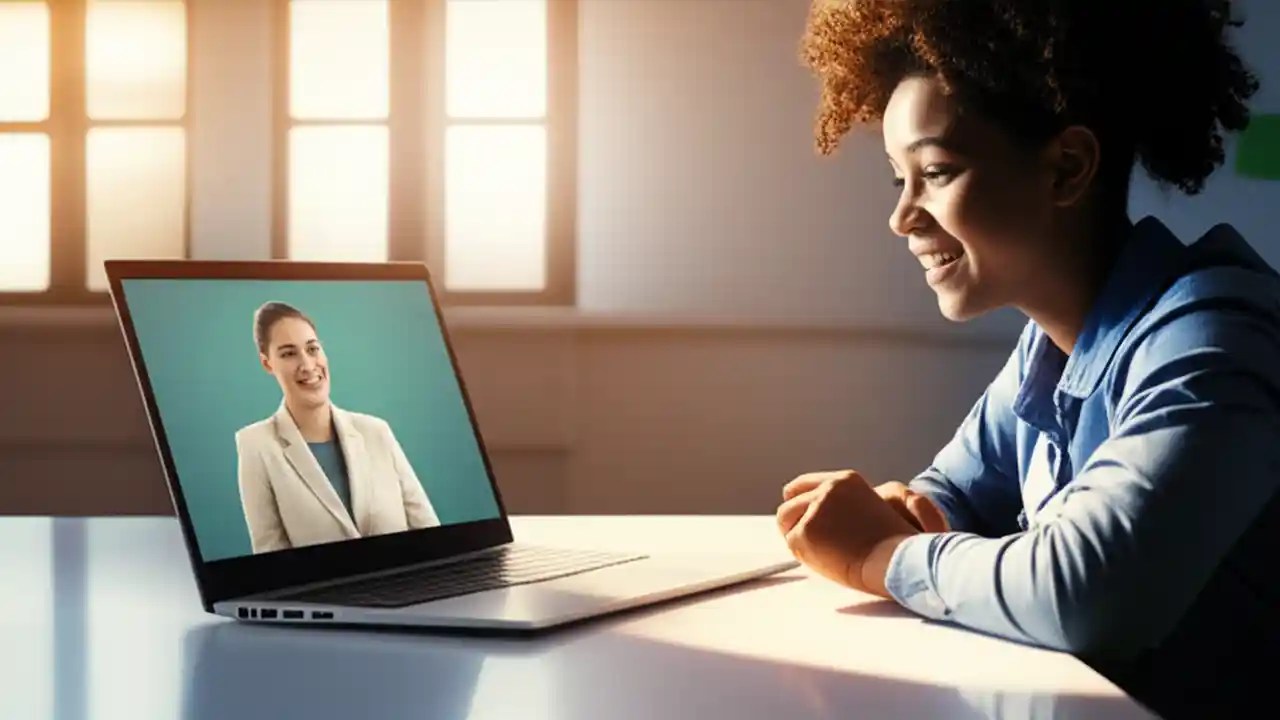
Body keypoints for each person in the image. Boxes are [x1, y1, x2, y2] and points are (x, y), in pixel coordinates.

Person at [776, 0, 1278, 716]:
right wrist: (905, 523)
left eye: (938, 172)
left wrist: (874, 558)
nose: (902, 216)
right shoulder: (1049, 350)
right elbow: (942, 501)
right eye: (898, 178)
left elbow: (1091, 592)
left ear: (1067, 169)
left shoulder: (1216, 337)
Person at [235, 301, 440, 554]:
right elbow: (270, 557)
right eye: (289, 353)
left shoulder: (376, 431)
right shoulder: (256, 444)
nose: (308, 365)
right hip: (320, 593)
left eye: (312, 349)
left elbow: (430, 533)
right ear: (267, 364)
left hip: (407, 586)